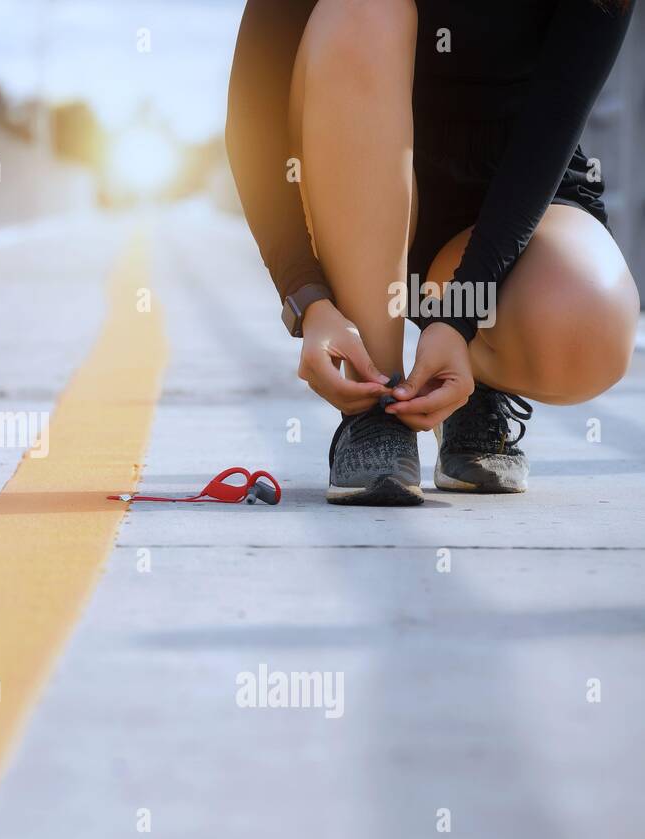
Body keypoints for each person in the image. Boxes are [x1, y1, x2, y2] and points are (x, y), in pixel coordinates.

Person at [226, 0, 639, 505]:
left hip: (514, 196)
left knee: (586, 331)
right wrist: (305, 298)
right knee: (365, 9)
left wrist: (459, 319)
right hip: (355, 175)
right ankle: (376, 404)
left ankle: (463, 375)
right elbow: (253, 109)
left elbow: (555, 119)